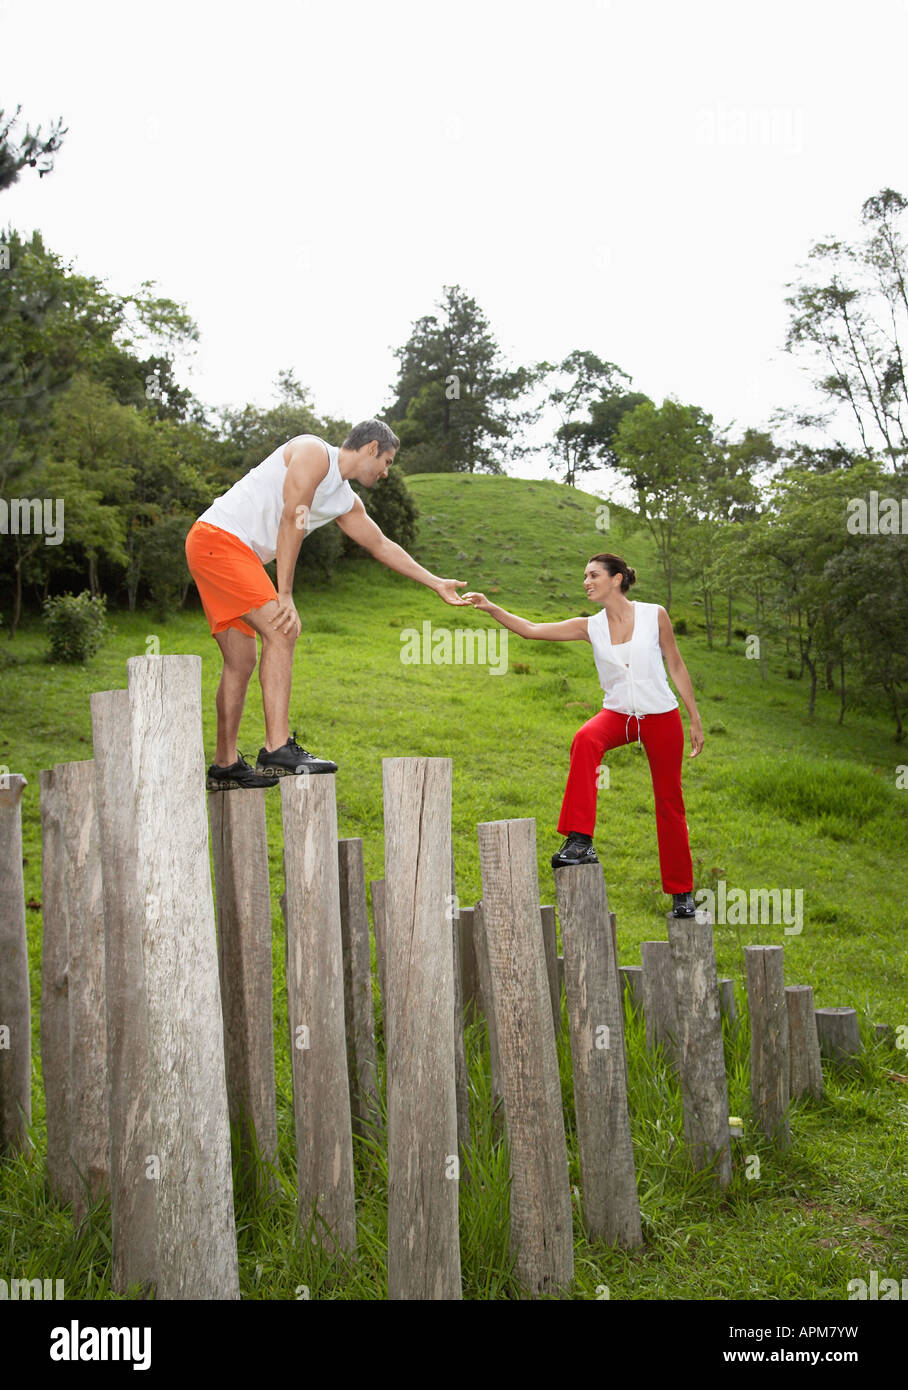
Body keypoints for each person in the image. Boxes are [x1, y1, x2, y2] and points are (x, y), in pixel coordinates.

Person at [184, 418, 470, 789]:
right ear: (371, 448)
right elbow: (293, 517)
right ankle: (276, 749)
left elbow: (380, 544)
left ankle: (224, 766)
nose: (386, 473)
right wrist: (284, 594)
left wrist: (435, 583)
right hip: (220, 541)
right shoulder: (313, 452)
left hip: (223, 549)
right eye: (387, 462)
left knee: (241, 661)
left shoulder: (343, 499)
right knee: (283, 629)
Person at [462, 552, 704, 917]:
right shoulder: (589, 626)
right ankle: (580, 841)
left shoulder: (655, 615)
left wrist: (694, 717)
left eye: (593, 575)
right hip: (618, 714)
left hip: (660, 716)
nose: (586, 582)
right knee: (586, 738)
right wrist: (490, 607)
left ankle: (682, 894)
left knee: (669, 802)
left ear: (617, 578)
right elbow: (531, 629)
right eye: (585, 576)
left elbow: (675, 663)